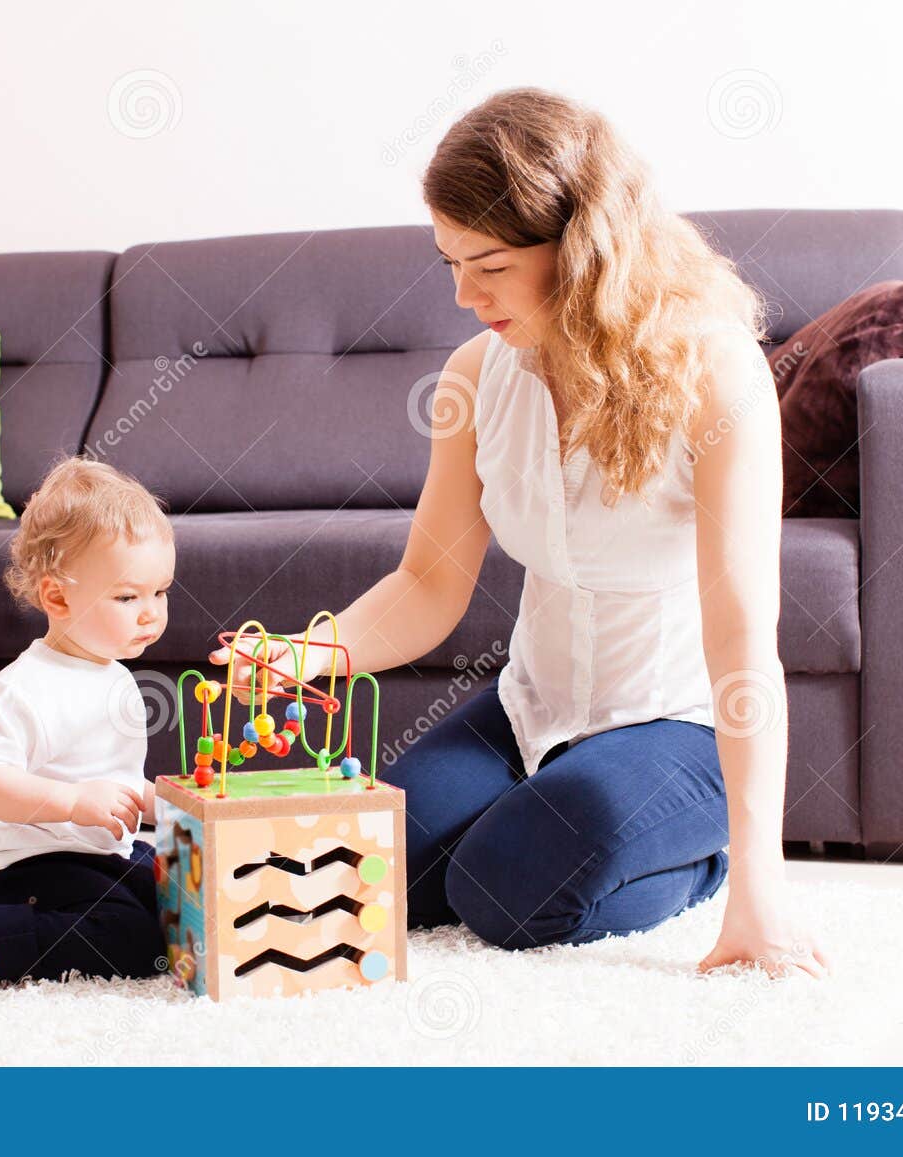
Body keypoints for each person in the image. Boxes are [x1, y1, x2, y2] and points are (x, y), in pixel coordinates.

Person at [211, 88, 830, 979]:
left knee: (503, 891)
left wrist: (761, 891)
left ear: (581, 251)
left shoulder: (715, 372)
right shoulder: (475, 377)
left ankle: (707, 856)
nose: (464, 296)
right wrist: (308, 655)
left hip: (680, 723)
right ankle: (554, 808)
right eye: (449, 262)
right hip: (530, 707)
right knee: (362, 868)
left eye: (489, 264)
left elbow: (741, 641)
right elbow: (427, 582)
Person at [0, 456, 173, 982]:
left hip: (99, 854)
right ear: (57, 595)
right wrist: (73, 803)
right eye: (128, 596)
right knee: (139, 938)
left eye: (160, 592)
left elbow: (113, 778)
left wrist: (159, 798)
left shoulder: (116, 677)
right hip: (26, 865)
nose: (150, 612)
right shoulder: (20, 689)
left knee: (184, 898)